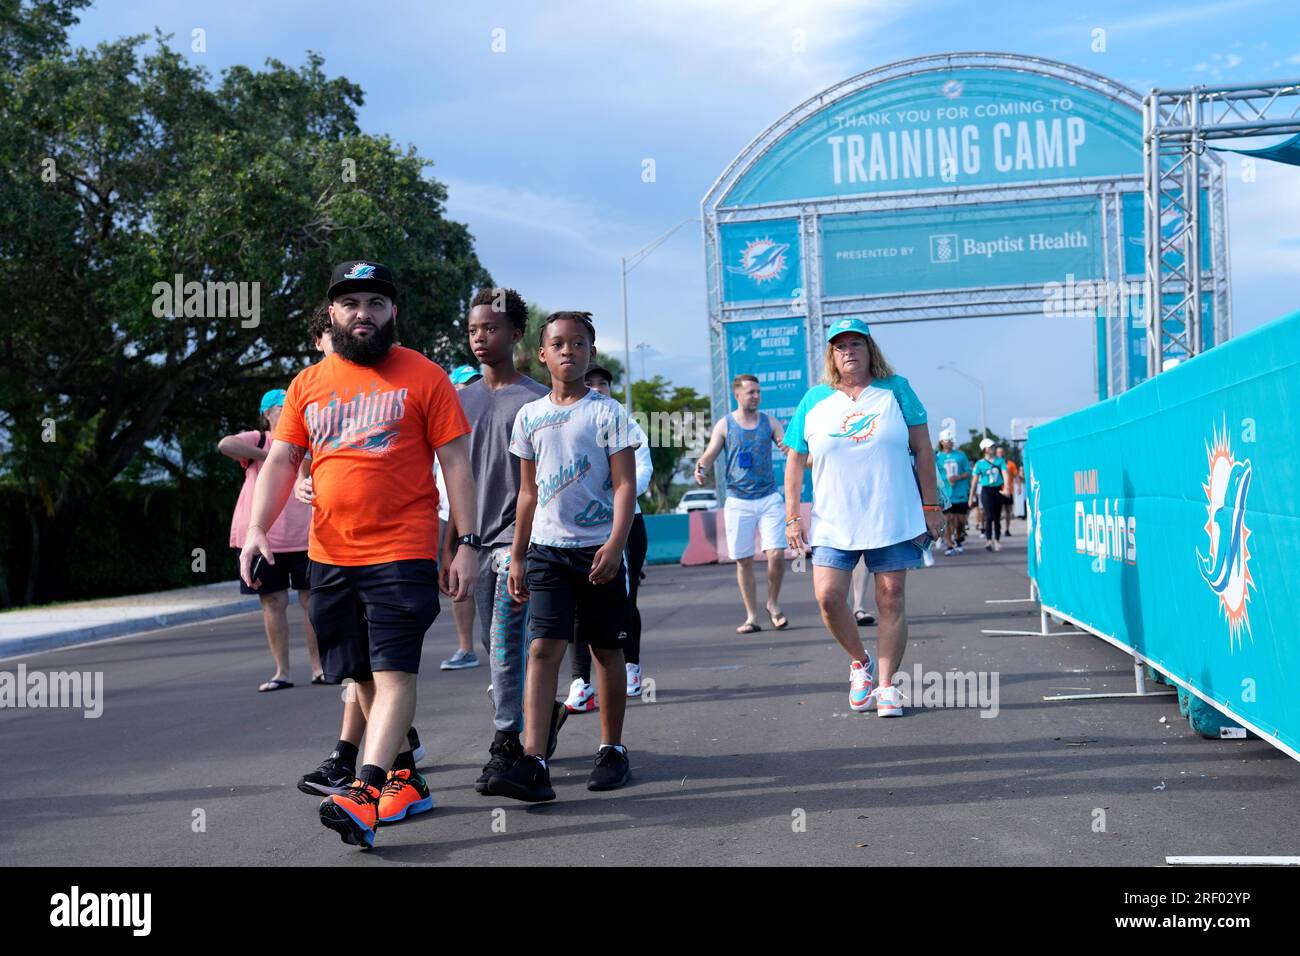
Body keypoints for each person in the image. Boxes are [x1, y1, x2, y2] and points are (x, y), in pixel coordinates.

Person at [241, 259, 480, 849]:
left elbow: (456, 463)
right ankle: (407, 779)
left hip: (402, 549)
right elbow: (280, 460)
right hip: (330, 555)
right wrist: (256, 528)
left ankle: (366, 789)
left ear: (392, 312)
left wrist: (467, 543)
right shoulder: (307, 384)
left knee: (395, 670)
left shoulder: (424, 376)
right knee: (360, 673)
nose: (362, 313)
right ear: (333, 313)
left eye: (374, 303)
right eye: (351, 303)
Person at [485, 311, 639, 802]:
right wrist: (519, 553)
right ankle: (534, 761)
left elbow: (625, 485)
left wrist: (615, 544)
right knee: (540, 649)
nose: (568, 351)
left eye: (578, 343)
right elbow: (526, 494)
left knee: (605, 650)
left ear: (591, 352)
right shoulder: (529, 416)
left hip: (598, 551)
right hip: (547, 552)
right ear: (543, 353)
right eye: (558, 343)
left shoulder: (608, 413)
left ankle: (611, 749)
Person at [783, 317, 944, 718]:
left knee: (891, 597)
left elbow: (924, 450)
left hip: (892, 514)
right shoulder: (814, 400)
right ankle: (860, 663)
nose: (849, 351)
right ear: (831, 356)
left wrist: (931, 506)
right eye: (841, 346)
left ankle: (887, 685)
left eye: (857, 344)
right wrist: (791, 518)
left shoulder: (896, 390)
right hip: (834, 521)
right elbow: (794, 463)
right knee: (827, 597)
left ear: (871, 350)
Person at [441, 287, 561, 793]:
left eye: (490, 329)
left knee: (507, 645)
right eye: (472, 330)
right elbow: (453, 479)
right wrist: (450, 544)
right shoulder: (457, 400)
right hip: (475, 540)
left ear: (515, 335)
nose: (479, 338)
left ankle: (506, 743)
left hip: (522, 543)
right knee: (495, 649)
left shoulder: (538, 399)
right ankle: (540, 713)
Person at [564, 364, 653, 712]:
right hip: (577, 530)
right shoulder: (565, 423)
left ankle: (631, 665)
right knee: (576, 606)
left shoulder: (626, 424)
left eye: (603, 383)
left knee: (624, 599)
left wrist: (614, 498)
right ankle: (580, 683)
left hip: (627, 525)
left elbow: (640, 473)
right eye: (591, 383)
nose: (597, 388)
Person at [220, 388, 321, 691]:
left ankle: (319, 668)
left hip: (305, 534)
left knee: (311, 600)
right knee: (273, 602)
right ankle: (282, 672)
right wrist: (270, 456)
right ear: (267, 413)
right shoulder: (258, 439)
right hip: (266, 537)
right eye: (282, 405)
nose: (289, 408)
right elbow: (225, 444)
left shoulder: (306, 438)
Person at [692, 374, 790, 634]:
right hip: (738, 500)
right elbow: (711, 453)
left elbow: (787, 445)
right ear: (738, 395)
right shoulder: (725, 425)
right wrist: (701, 467)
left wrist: (788, 448)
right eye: (751, 392)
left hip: (769, 497)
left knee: (777, 553)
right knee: (744, 560)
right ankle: (751, 616)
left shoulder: (769, 422)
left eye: (758, 392)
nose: (756, 396)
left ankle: (774, 604)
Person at [438, 364, 485, 671]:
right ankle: (466, 648)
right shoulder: (440, 421)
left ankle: (512, 651)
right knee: (458, 584)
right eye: (464, 386)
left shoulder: (485, 421)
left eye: (474, 384)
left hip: (487, 513)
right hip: (447, 514)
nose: (470, 391)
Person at [935, 436, 972, 555]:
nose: (949, 442)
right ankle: (949, 544)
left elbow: (968, 472)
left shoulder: (961, 455)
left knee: (960, 520)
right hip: (945, 494)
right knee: (947, 519)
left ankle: (959, 538)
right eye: (947, 440)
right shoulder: (938, 457)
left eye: (951, 440)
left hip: (960, 493)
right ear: (941, 441)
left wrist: (957, 477)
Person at [972, 438, 1006, 551]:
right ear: (984, 449)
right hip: (986, 491)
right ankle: (988, 540)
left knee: (997, 517)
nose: (992, 448)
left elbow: (1005, 474)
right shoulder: (979, 464)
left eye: (993, 446)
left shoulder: (1000, 461)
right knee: (989, 516)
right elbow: (975, 481)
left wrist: (1007, 488)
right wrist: (971, 496)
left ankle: (997, 540)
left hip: (998, 490)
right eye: (990, 447)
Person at [997, 445, 1018, 536]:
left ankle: (1007, 529)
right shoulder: (993, 463)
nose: (1000, 454)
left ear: (1004, 453)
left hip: (1008, 490)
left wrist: (1019, 487)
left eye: (1001, 452)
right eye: (998, 452)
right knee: (997, 511)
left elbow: (1015, 475)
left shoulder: (1010, 464)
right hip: (997, 490)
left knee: (1008, 511)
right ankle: (998, 529)